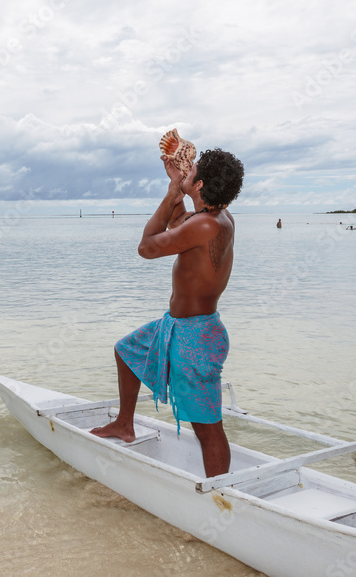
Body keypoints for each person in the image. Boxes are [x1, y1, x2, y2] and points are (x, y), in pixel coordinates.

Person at [91, 148, 244, 478]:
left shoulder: (204, 224)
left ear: (200, 184)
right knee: (126, 350)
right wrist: (177, 183)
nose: (187, 170)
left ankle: (221, 495)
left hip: (194, 338)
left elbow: (146, 246)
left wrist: (172, 192)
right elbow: (178, 222)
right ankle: (124, 424)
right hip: (181, 326)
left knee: (207, 427)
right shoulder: (218, 218)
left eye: (193, 171)